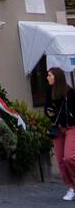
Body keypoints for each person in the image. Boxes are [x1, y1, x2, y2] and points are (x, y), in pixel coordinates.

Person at [44, 67, 75, 201]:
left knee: (69, 158)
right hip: (58, 129)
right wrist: (50, 110)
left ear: (56, 77)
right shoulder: (50, 92)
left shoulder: (70, 93)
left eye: (49, 75)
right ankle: (71, 187)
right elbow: (47, 110)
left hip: (71, 128)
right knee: (61, 161)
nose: (47, 78)